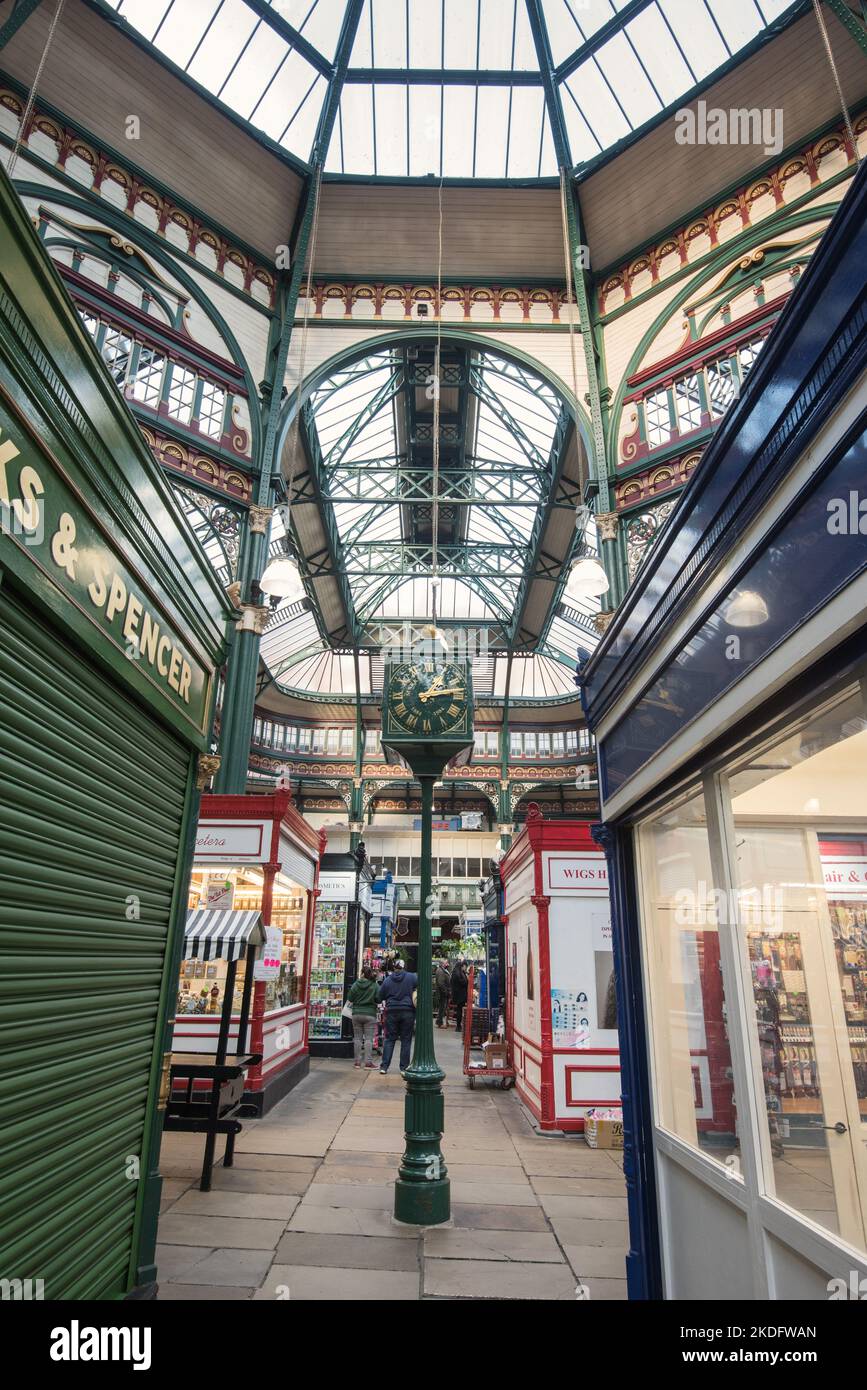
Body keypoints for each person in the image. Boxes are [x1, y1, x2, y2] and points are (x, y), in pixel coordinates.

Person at [376, 957, 417, 1074]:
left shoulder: (388, 980)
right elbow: (420, 984)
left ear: (394, 967)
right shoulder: (411, 977)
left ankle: (384, 1067)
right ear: (403, 967)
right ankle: (404, 1067)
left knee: (389, 1039)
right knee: (406, 1040)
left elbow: (379, 997)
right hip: (407, 1011)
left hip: (392, 1011)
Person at [347, 966, 378, 1069]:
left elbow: (350, 998)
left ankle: (357, 1062)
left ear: (362, 973)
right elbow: (378, 998)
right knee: (368, 1039)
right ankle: (368, 1063)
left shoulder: (356, 984)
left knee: (357, 1038)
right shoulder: (374, 985)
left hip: (356, 1014)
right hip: (370, 1014)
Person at [450, 958, 468, 1032]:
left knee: (459, 1010)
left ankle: (458, 1025)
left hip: (458, 995)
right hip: (460, 995)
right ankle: (458, 1026)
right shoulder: (458, 973)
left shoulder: (456, 972)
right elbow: (463, 982)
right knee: (459, 1010)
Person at [434, 956, 451, 1028]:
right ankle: (439, 1022)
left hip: (443, 992)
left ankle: (439, 1022)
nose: (447, 964)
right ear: (442, 964)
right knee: (442, 1007)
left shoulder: (442, 970)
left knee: (442, 1007)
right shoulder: (440, 971)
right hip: (442, 993)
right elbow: (441, 983)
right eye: (446, 963)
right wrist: (446, 991)